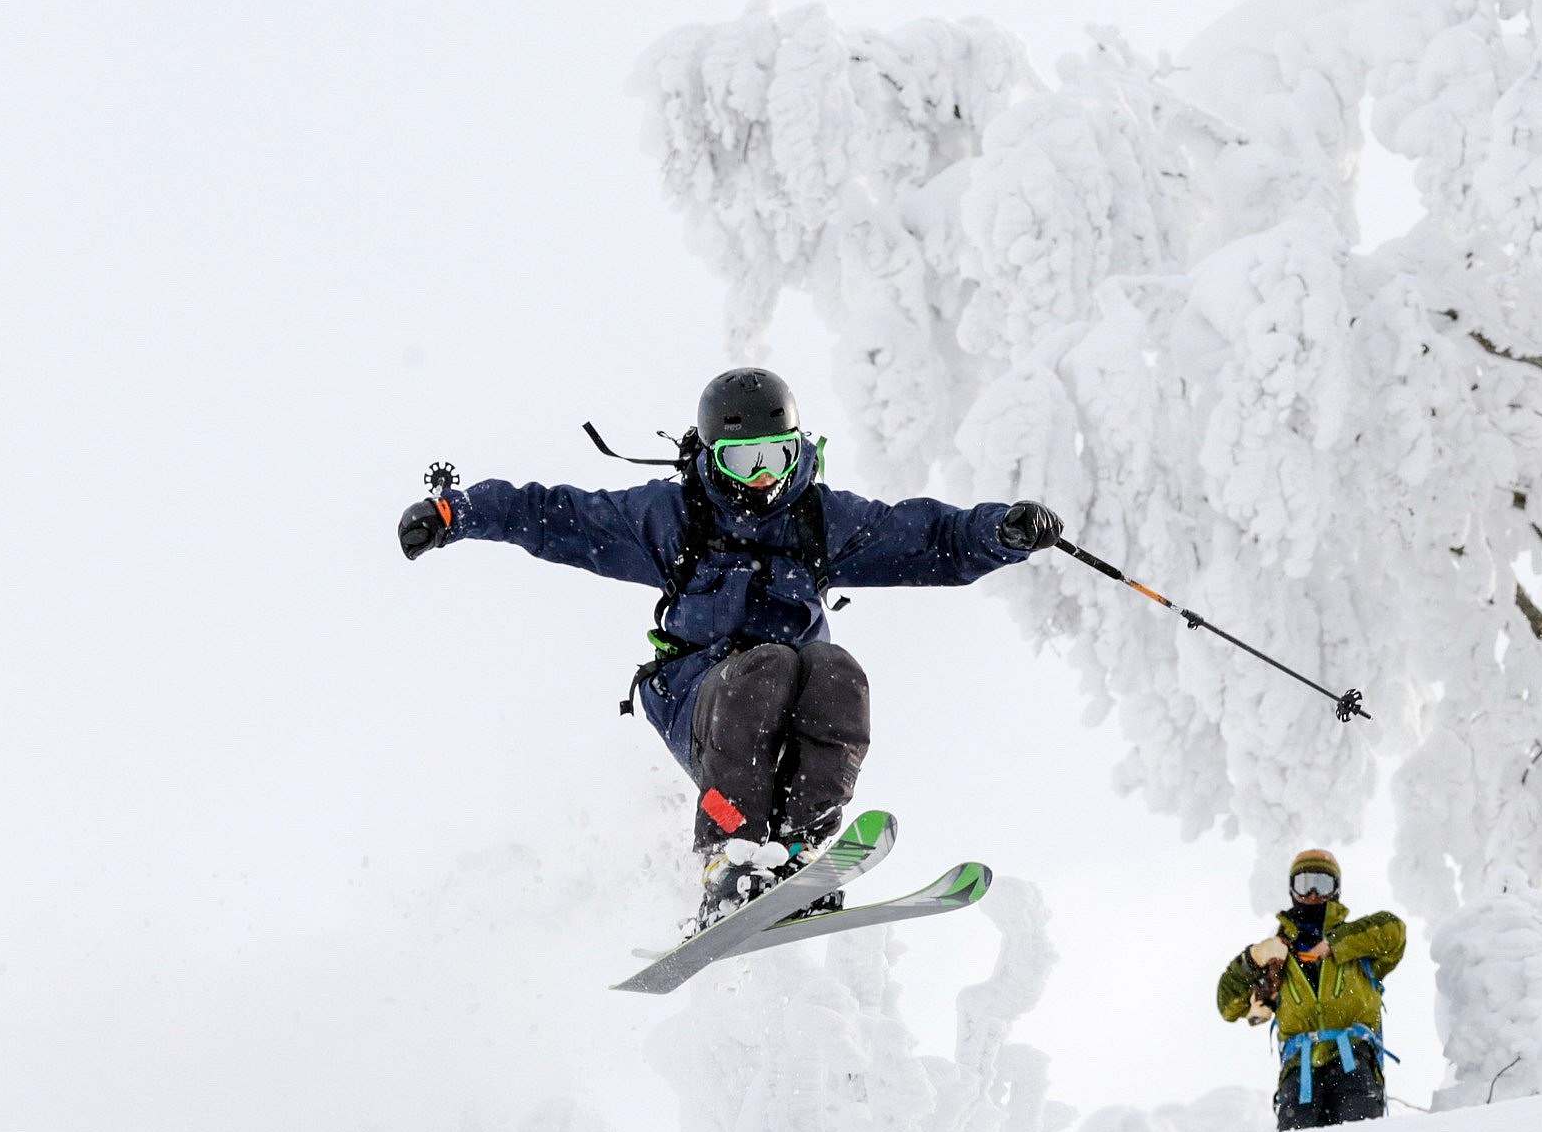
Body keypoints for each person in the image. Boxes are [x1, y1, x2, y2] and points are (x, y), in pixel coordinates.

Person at [396, 365, 1060, 926]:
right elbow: (553, 516)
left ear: (801, 448)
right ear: (710, 457)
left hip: (792, 696)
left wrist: (999, 533)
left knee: (835, 670)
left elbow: (929, 539)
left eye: (778, 455)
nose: (764, 478)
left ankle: (800, 848)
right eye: (743, 462)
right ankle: (729, 858)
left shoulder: (820, 519)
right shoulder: (672, 516)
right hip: (697, 695)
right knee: (763, 667)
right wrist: (459, 512)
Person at [1216, 850, 1404, 1131]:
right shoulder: (1276, 961)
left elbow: (1394, 931)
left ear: (1336, 890)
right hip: (1298, 1075)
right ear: (1292, 890)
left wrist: (1335, 943)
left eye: (1323, 884)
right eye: (1305, 884)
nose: (1314, 894)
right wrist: (1254, 958)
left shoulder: (1358, 948)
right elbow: (1227, 1005)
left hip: (1354, 1062)